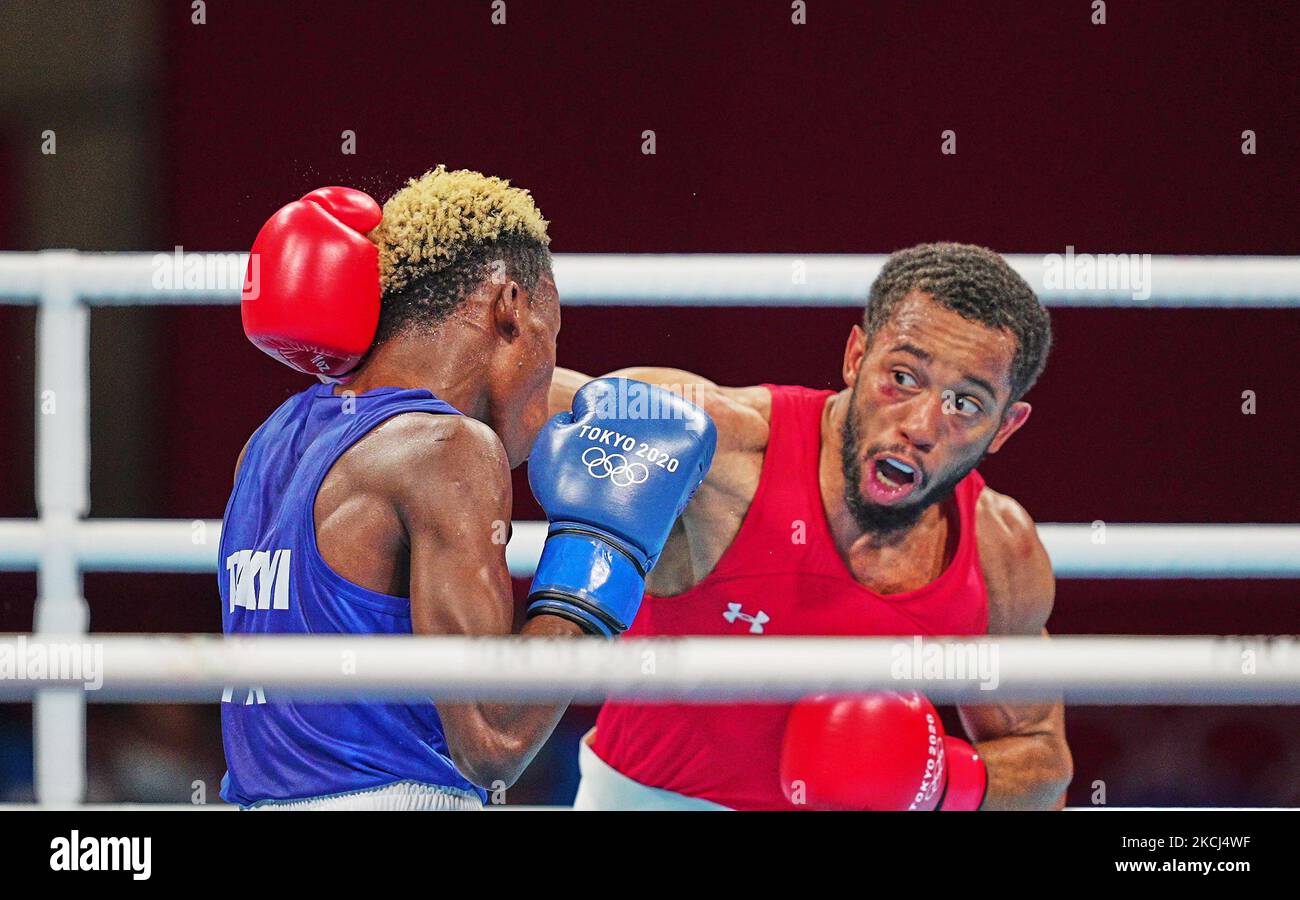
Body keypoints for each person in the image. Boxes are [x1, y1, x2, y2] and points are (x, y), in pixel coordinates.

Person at [219, 167, 715, 809]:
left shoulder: (270, 441)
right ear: (511, 307)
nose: (547, 376)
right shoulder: (449, 449)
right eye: (551, 338)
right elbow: (492, 739)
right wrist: (600, 558)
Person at [555, 242, 1073, 810]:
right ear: (856, 356)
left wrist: (940, 782)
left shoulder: (999, 552)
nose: (922, 425)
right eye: (902, 376)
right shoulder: (727, 451)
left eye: (966, 404)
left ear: (1005, 428)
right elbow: (514, 397)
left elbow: (1043, 765)